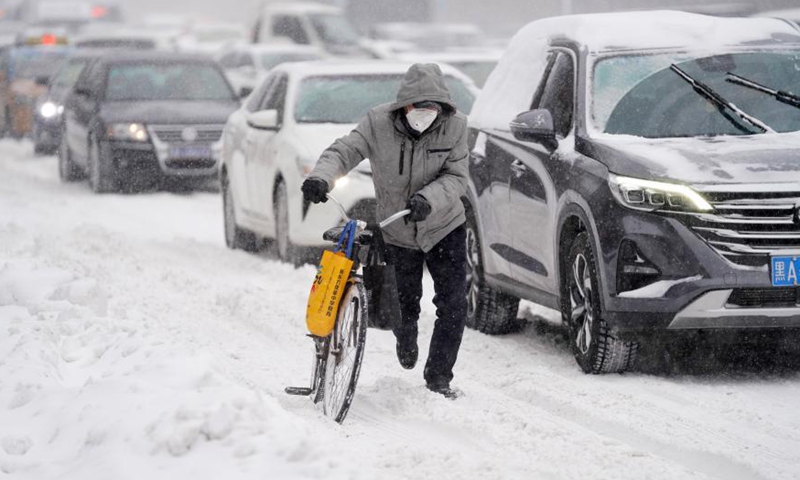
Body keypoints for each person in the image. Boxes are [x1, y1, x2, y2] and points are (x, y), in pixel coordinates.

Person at [301, 63, 469, 399]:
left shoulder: (456, 127)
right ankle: (405, 335)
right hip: (397, 230)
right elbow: (344, 150)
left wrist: (429, 198)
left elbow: (457, 176)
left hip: (443, 225)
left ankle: (439, 377)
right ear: (404, 106)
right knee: (404, 305)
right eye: (419, 108)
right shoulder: (377, 123)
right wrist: (322, 176)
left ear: (442, 109)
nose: (425, 115)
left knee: (453, 304)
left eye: (432, 109)